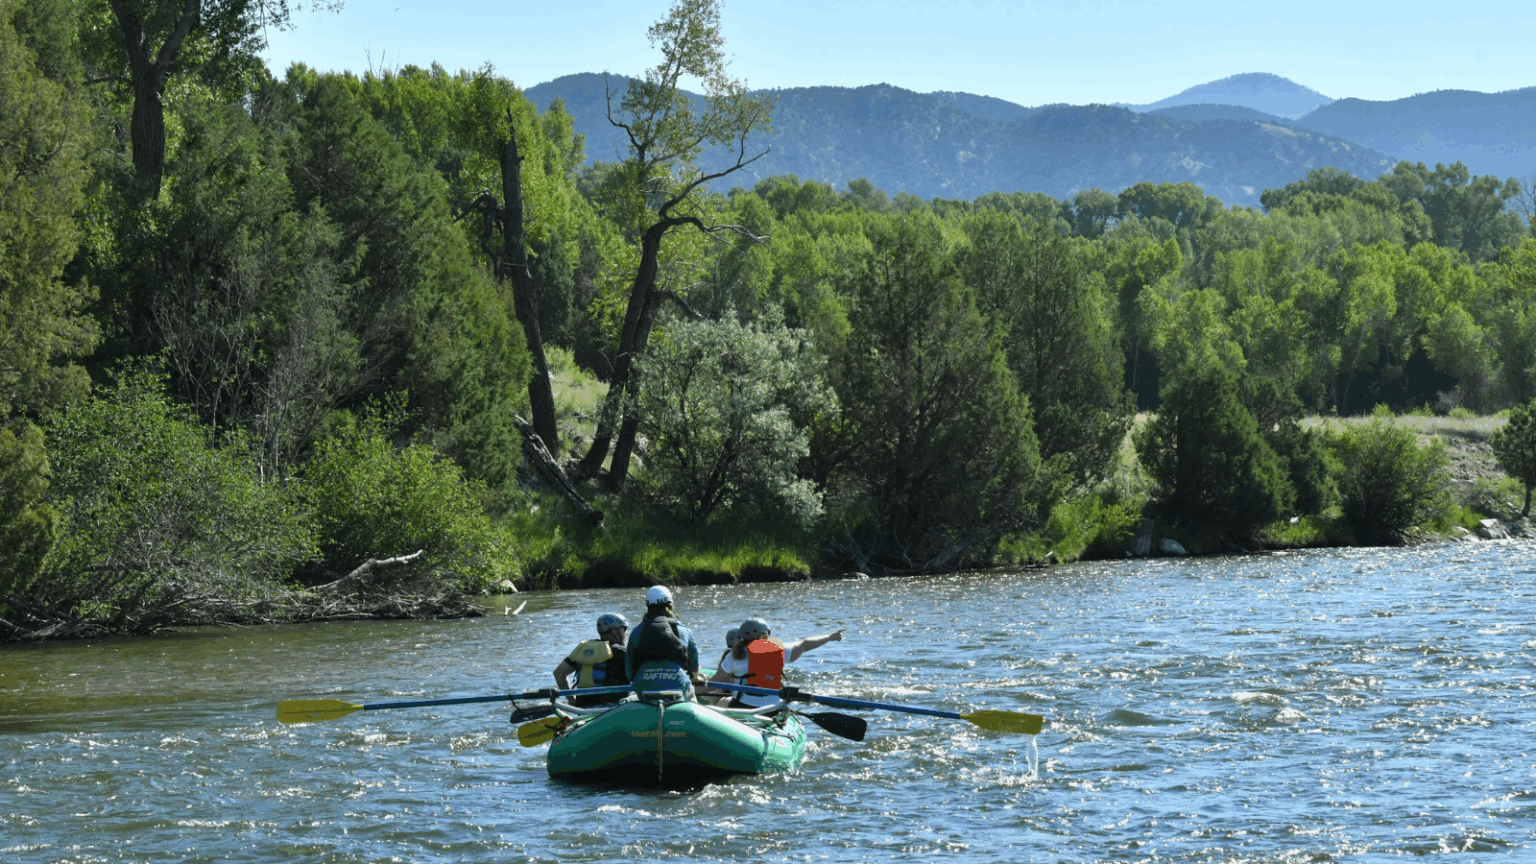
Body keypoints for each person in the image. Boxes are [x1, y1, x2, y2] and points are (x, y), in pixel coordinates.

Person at [711, 617, 845, 708]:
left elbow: (714, 682)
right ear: (761, 636)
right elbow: (805, 644)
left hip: (742, 706)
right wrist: (829, 637)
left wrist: (692, 691)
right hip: (772, 708)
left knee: (719, 701)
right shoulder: (778, 650)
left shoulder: (732, 656)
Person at [625, 585, 702, 699]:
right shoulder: (685, 630)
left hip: (643, 687)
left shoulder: (636, 632)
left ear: (648, 606)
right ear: (671, 605)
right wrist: (695, 678)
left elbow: (629, 671)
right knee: (692, 695)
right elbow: (694, 668)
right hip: (678, 686)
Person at [552, 613, 630, 706]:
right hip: (614, 708)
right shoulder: (622, 652)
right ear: (613, 630)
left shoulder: (584, 649)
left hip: (583, 708)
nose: (626, 633)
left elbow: (559, 673)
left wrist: (572, 700)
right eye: (624, 629)